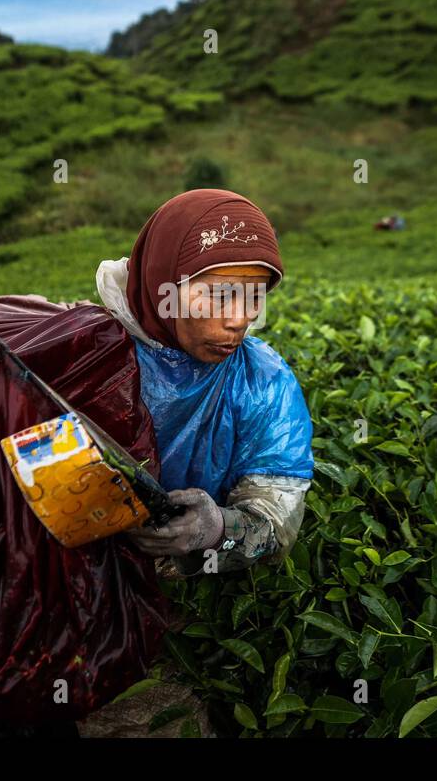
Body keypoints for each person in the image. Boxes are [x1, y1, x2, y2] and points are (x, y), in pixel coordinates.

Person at [94, 188, 314, 577]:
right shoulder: (90, 358)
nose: (239, 320)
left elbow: (276, 518)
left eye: (255, 297)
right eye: (218, 295)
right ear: (163, 283)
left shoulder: (264, 381)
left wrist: (216, 529)